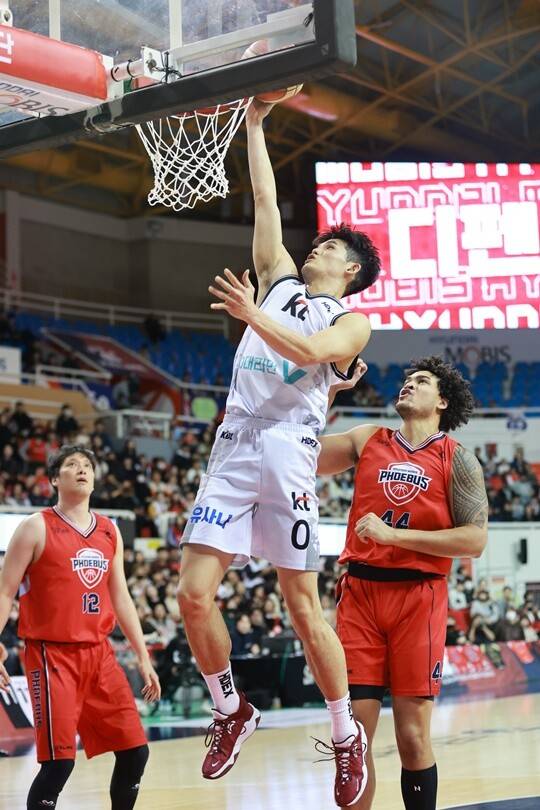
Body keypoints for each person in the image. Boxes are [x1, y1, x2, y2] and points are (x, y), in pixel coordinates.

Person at [177, 99, 381, 807]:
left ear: (351, 270)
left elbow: (312, 350)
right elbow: (264, 195)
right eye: (318, 242)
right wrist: (256, 123)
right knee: (192, 596)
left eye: (331, 247)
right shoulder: (280, 277)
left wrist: (252, 316)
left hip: (291, 454)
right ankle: (230, 708)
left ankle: (345, 736)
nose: (317, 246)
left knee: (302, 605)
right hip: (235, 446)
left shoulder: (353, 321)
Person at [318, 356, 488, 810]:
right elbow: (302, 456)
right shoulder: (367, 439)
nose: (408, 385)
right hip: (360, 594)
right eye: (407, 379)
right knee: (353, 739)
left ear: (443, 400)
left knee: (412, 737)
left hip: (420, 597)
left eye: (422, 381)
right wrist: (328, 393)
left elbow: (475, 539)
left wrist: (396, 536)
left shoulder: (458, 459)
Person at [0, 445, 160, 810]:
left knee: (135, 752)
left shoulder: (109, 531)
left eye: (87, 465)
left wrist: (142, 656)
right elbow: (6, 590)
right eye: (72, 465)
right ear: (55, 479)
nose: (82, 470)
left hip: (100, 654)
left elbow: (121, 597)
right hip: (50, 654)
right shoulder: (35, 527)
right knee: (59, 764)